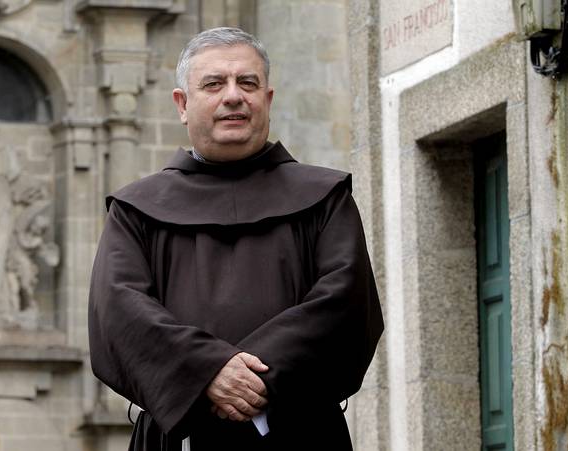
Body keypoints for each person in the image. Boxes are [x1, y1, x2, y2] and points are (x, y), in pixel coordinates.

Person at [88, 27, 383, 450]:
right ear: (182, 104)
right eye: (213, 84)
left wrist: (245, 379)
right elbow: (118, 312)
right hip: (179, 436)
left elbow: (345, 303)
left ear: (268, 99)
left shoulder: (324, 198)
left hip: (301, 432)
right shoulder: (136, 209)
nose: (233, 96)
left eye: (248, 82)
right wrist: (208, 372)